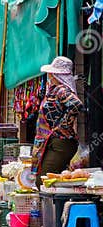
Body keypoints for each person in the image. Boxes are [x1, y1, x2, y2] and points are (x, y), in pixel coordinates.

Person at [33, 56, 83, 186]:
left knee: (42, 181)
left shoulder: (61, 90)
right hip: (53, 141)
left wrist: (63, 124)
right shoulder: (54, 90)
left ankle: (53, 206)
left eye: (51, 73)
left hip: (60, 141)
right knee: (50, 179)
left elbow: (76, 104)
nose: (49, 75)